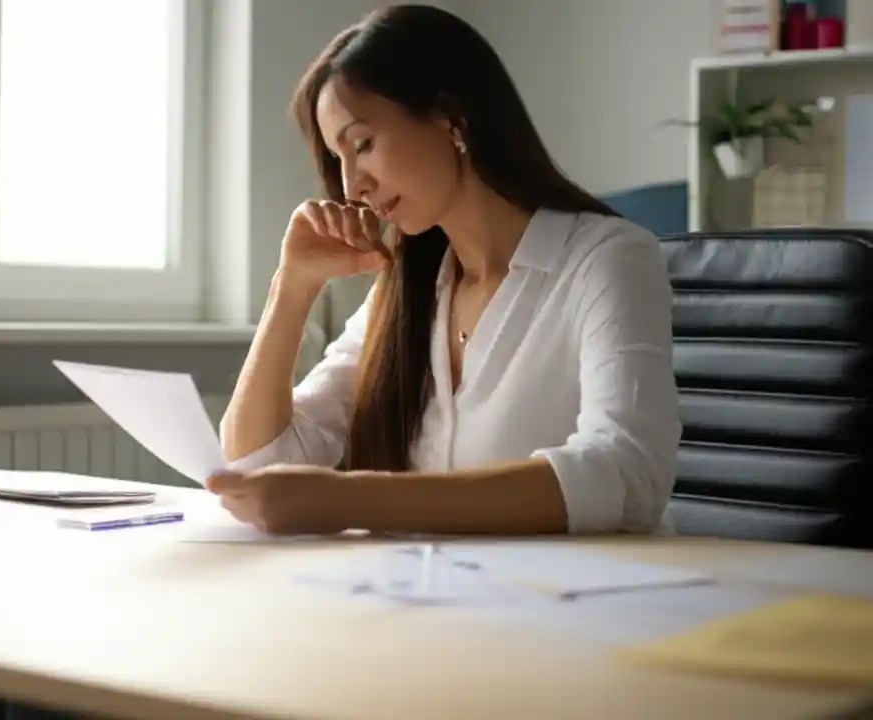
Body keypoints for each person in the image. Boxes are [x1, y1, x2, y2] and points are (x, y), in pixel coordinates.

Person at [208, 4, 681, 537]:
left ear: (451, 118)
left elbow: (627, 472)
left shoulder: (607, 258)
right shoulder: (409, 292)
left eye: (362, 144)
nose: (350, 187)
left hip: (578, 606)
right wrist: (291, 288)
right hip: (428, 601)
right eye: (338, 159)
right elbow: (252, 468)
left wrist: (353, 499)